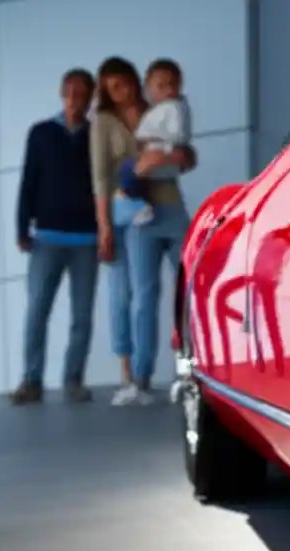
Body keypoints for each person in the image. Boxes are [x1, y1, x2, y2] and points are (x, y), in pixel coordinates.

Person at [91, 56, 196, 406]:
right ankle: (140, 378)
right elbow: (102, 178)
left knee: (190, 290)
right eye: (112, 89)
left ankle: (193, 370)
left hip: (172, 210)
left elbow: (187, 155)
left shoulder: (164, 109)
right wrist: (104, 226)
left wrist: (164, 159)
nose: (121, 93)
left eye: (124, 84)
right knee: (142, 299)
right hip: (137, 220)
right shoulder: (105, 122)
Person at [9, 68, 99, 405]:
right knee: (37, 312)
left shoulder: (97, 135)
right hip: (46, 238)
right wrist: (21, 227)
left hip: (87, 241)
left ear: (90, 99)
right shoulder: (42, 133)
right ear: (62, 94)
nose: (75, 100)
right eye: (69, 92)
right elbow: (28, 180)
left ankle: (73, 380)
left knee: (82, 316)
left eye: (82, 94)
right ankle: (31, 381)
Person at [117, 59, 191, 227]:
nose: (168, 90)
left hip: (161, 157)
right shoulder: (158, 109)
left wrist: (149, 141)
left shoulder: (174, 107)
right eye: (161, 86)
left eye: (172, 84)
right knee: (129, 171)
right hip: (154, 160)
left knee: (128, 170)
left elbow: (177, 137)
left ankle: (140, 205)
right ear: (148, 88)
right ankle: (138, 204)